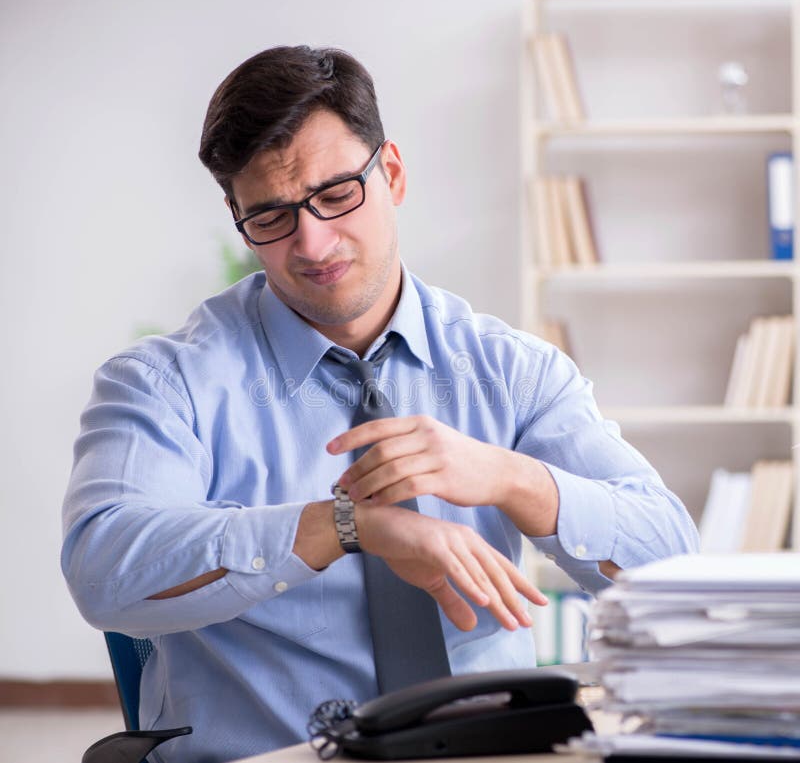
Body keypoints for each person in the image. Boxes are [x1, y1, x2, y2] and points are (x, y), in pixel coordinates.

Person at [61, 45, 698, 763]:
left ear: (391, 173)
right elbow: (103, 569)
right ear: (238, 217)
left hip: (488, 753)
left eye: (336, 194)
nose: (312, 243)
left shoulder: (513, 370)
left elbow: (673, 567)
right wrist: (343, 526)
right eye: (271, 216)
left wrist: (512, 479)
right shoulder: (164, 382)